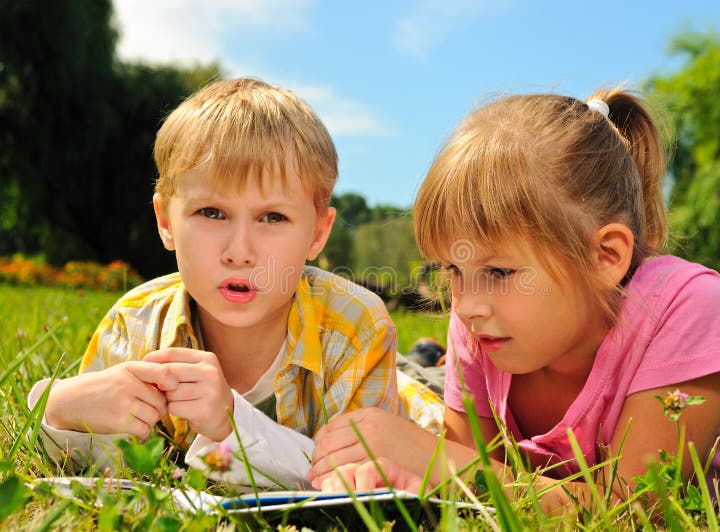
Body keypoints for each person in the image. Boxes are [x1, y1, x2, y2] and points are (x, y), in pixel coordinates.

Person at [307, 88, 720, 512]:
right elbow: (474, 482)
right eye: (454, 270)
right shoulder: (480, 325)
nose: (467, 305)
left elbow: (633, 509)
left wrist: (438, 461)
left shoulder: (685, 300)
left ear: (606, 257)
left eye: (499, 271)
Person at [27, 77, 434, 489]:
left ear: (317, 233)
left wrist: (233, 424)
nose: (240, 252)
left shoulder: (356, 329)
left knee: (420, 390)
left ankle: (424, 359)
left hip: (408, 396)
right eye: (211, 213)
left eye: (272, 217)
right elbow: (92, 462)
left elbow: (350, 482)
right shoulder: (132, 324)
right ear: (166, 222)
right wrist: (56, 406)